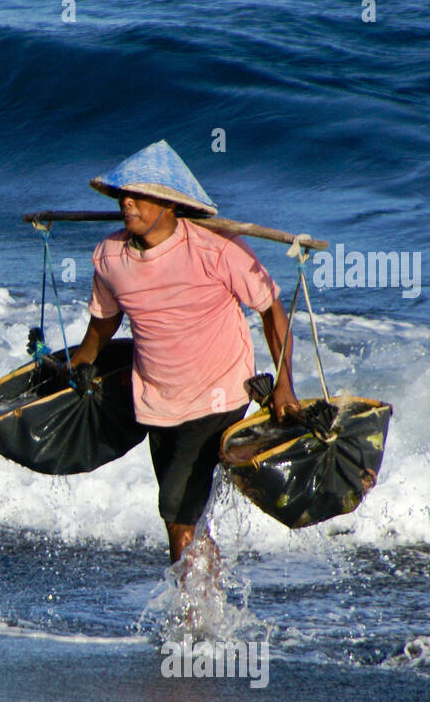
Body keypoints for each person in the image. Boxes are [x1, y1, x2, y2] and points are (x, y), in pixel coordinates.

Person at [69, 140, 301, 564]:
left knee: (177, 516)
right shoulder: (109, 256)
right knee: (183, 519)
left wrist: (284, 386)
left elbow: (270, 311)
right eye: (123, 194)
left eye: (139, 195)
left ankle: (190, 624)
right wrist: (83, 358)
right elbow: (105, 319)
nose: (127, 202)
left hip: (218, 396)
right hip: (156, 402)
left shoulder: (218, 249)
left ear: (170, 204)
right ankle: (210, 609)